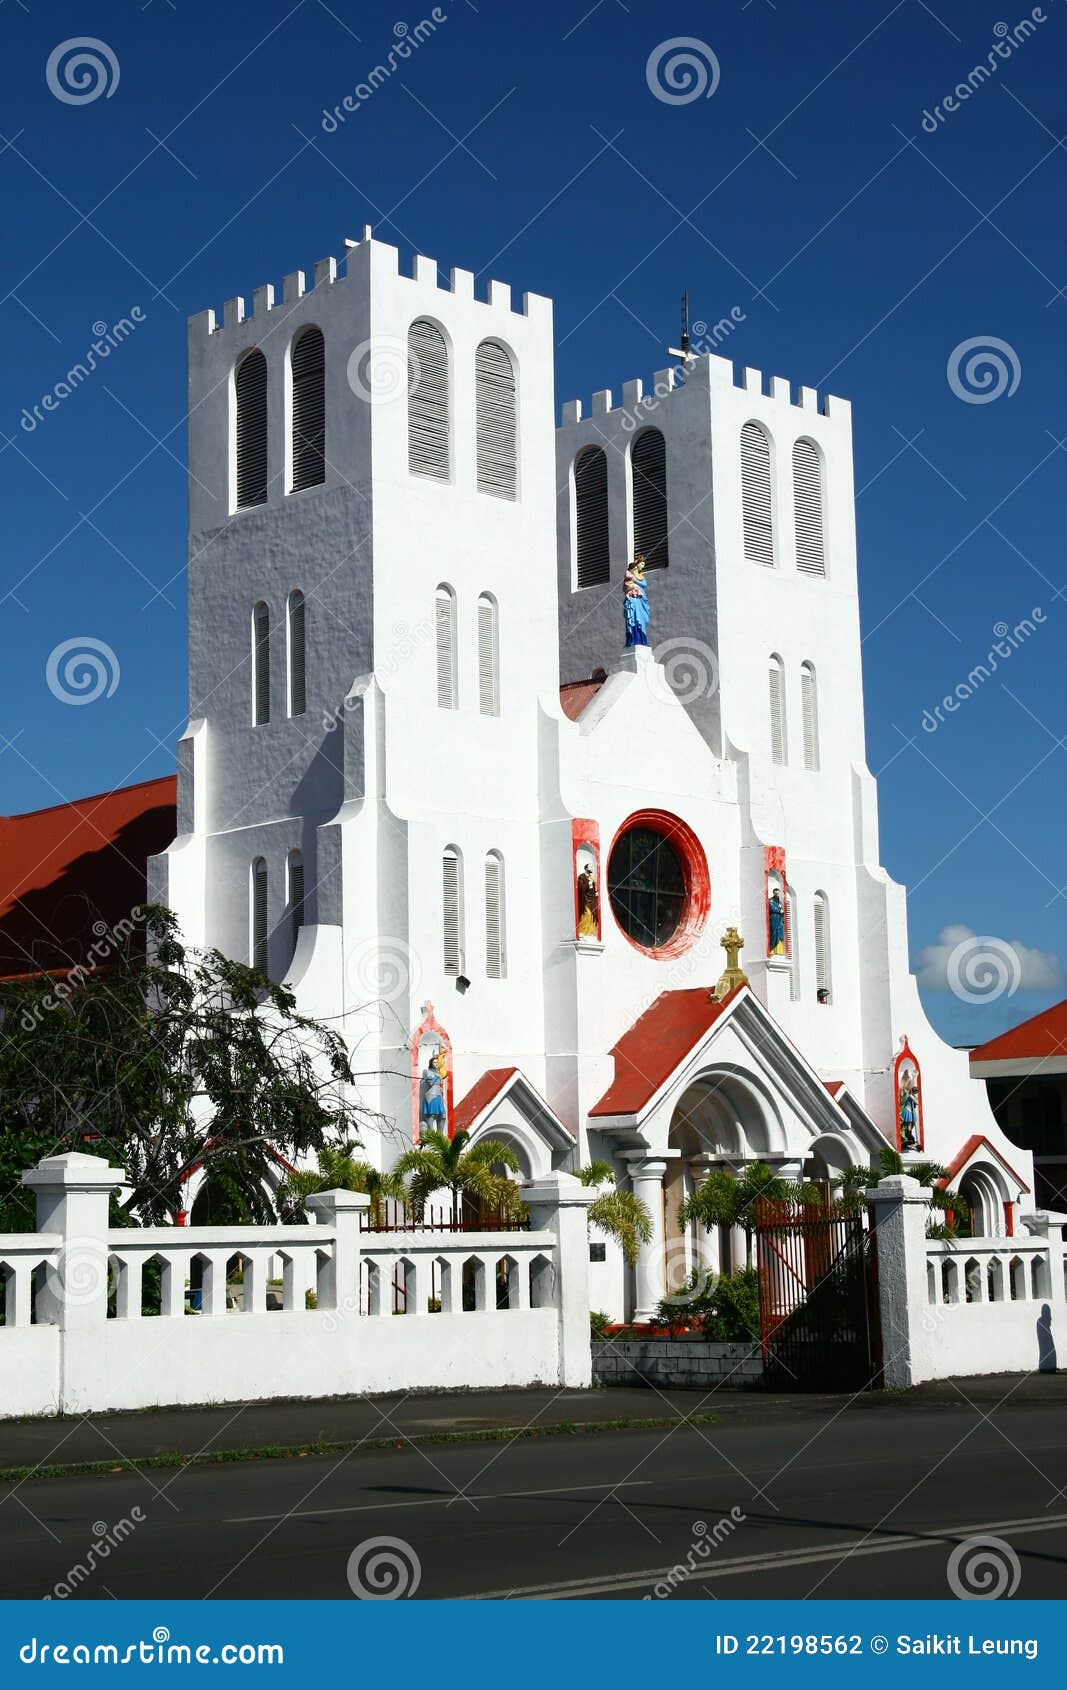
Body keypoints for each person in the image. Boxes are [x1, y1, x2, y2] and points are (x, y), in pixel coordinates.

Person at [623, 554, 650, 648]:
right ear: (637, 563)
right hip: (633, 598)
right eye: (642, 563)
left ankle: (642, 640)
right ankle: (634, 640)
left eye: (644, 564)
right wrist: (632, 584)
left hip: (641, 598)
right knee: (634, 617)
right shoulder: (629, 574)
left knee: (642, 619)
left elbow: (644, 584)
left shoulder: (639, 575)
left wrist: (636, 580)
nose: (643, 566)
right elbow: (625, 586)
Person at [420, 1049, 447, 1126]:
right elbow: (430, 1083)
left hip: (438, 1095)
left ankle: (439, 1135)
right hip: (431, 1096)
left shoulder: (437, 1072)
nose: (436, 1063)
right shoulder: (429, 1072)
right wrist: (436, 1077)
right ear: (431, 1063)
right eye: (434, 1062)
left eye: (437, 1062)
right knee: (431, 1115)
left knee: (443, 1116)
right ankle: (431, 1134)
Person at [577, 861, 599, 938]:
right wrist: (587, 884)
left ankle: (589, 933)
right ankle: (582, 931)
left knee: (593, 915)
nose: (592, 868)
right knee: (587, 914)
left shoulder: (591, 878)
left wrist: (595, 893)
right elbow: (581, 888)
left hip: (592, 899)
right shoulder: (582, 877)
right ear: (586, 868)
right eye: (590, 867)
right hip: (585, 899)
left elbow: (592, 889)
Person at [768, 887, 785, 955]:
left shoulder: (779, 902)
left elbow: (781, 909)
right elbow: (772, 908)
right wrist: (778, 910)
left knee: (779, 933)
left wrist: (782, 912)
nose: (778, 895)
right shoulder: (771, 900)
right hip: (774, 918)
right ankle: (772, 950)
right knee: (774, 933)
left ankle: (779, 950)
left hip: (779, 919)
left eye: (778, 894)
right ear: (774, 893)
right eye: (776, 893)